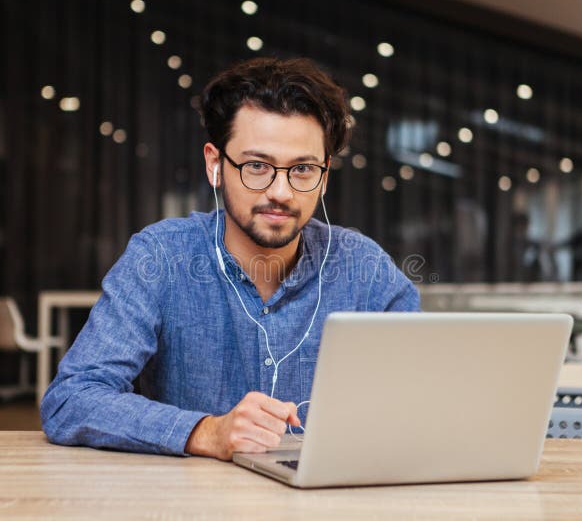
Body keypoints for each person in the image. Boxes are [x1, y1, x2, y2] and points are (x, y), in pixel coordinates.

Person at [41, 57, 421, 460]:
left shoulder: (365, 269)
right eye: (257, 166)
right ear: (215, 164)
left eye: (303, 169)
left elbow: (429, 395)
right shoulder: (162, 257)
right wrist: (206, 432)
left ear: (324, 176)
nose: (281, 192)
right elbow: (71, 399)